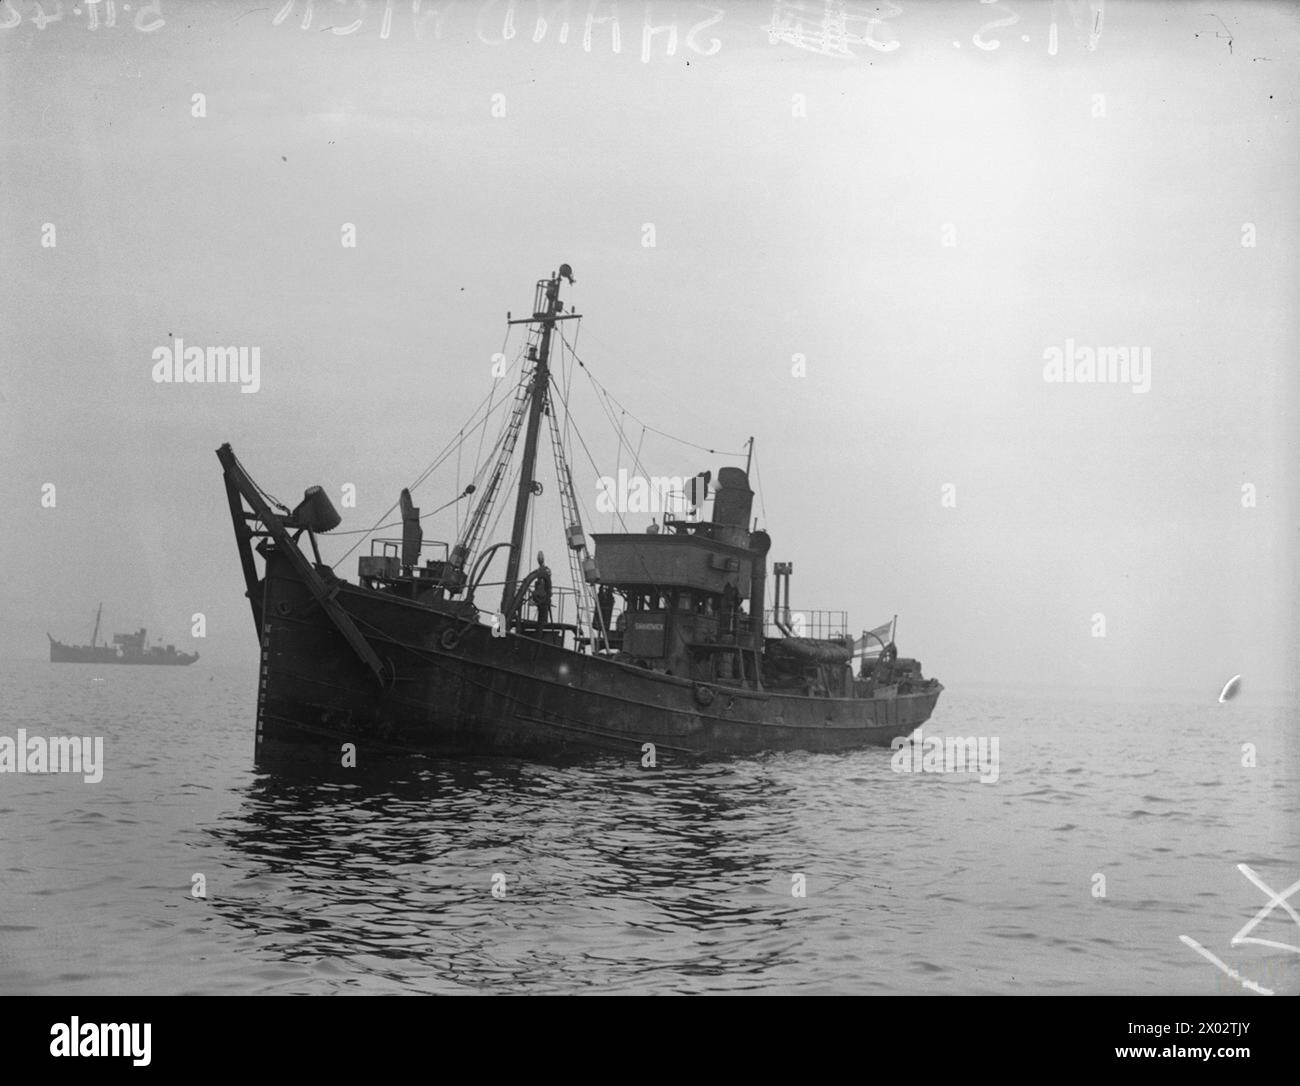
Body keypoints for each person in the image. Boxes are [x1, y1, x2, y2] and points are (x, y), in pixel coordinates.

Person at [530, 550, 552, 627]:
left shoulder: (544, 571)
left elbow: (547, 585)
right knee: (542, 612)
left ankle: (542, 625)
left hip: (544, 598)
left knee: (543, 612)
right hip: (543, 598)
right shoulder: (543, 571)